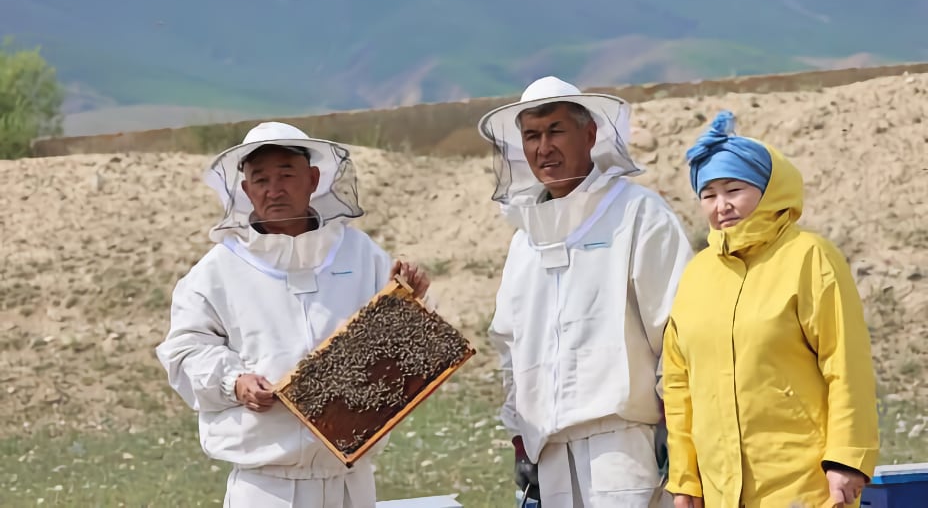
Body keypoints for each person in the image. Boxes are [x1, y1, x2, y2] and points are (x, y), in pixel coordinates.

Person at [155, 121, 430, 508]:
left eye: (286, 174)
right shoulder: (216, 271)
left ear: (313, 178)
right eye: (261, 179)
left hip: (350, 483)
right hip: (266, 488)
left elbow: (404, 354)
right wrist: (234, 381)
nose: (274, 189)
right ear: (246, 190)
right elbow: (185, 353)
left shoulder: (359, 254)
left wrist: (411, 302)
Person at [478, 76, 693, 507]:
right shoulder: (524, 239)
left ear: (590, 134)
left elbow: (677, 331)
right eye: (532, 136)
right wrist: (521, 438)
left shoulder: (638, 214)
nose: (544, 148)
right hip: (549, 452)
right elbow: (510, 345)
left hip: (625, 445)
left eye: (556, 131)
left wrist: (680, 434)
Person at [662, 110, 880, 508]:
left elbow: (845, 364)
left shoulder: (810, 257)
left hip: (802, 483)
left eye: (734, 190)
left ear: (768, 188)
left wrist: (847, 459)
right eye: (708, 195)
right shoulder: (696, 275)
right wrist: (685, 479)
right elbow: (680, 388)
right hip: (719, 489)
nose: (721, 206)